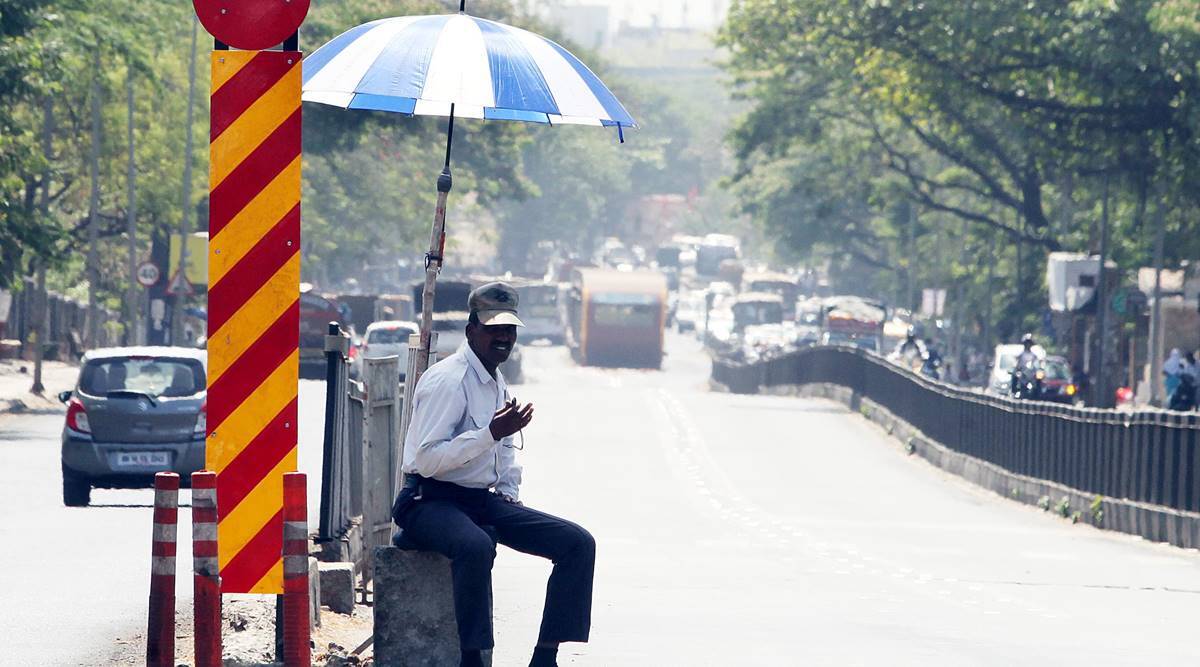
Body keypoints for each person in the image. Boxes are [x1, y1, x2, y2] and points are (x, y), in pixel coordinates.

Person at [392, 282, 595, 667]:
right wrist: (489, 433)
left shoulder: (496, 381)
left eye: (509, 329)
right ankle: (472, 657)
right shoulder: (448, 380)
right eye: (493, 329)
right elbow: (427, 460)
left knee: (577, 543)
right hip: (427, 500)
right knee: (475, 546)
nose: (503, 338)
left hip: (477, 499)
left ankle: (545, 656)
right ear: (472, 331)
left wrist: (508, 493)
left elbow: (505, 453)